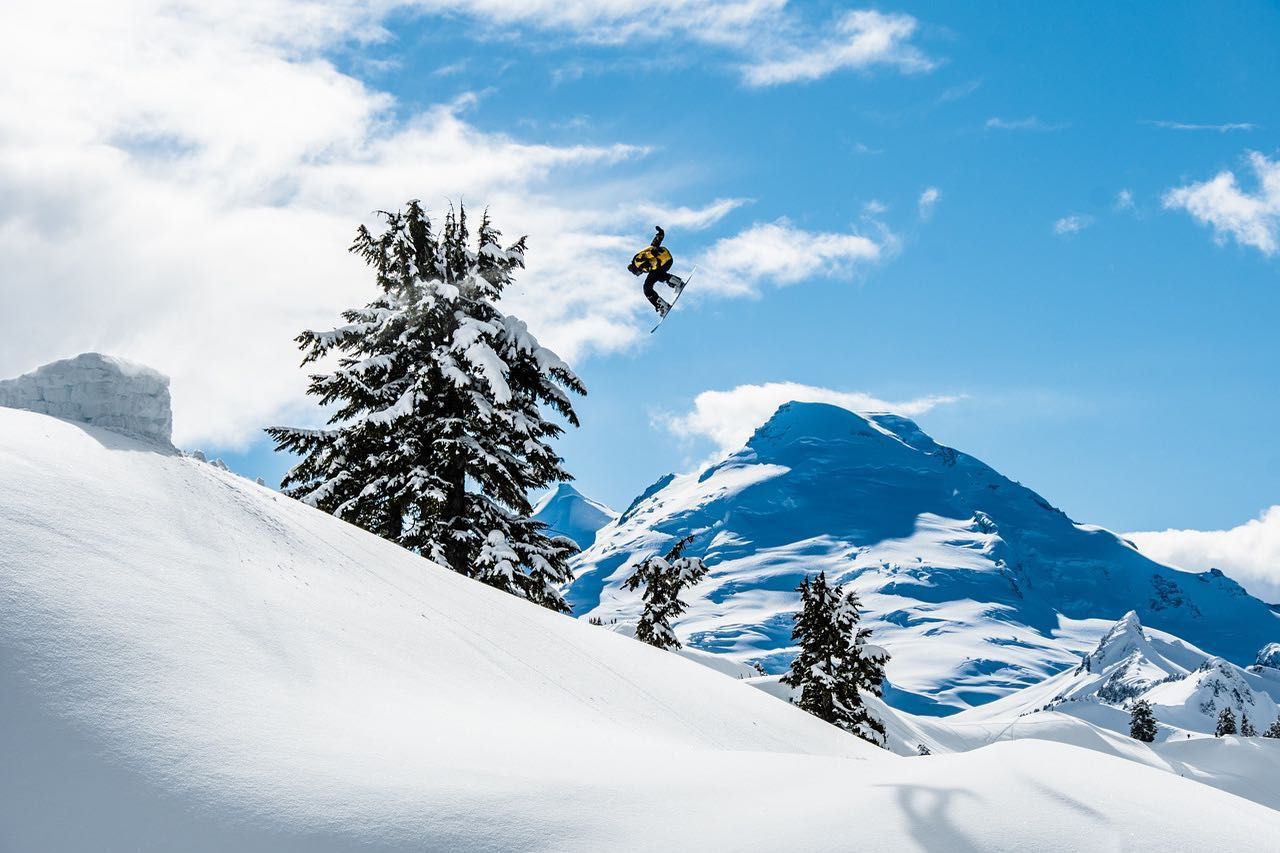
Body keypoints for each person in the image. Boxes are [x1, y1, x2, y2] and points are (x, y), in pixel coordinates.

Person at [628, 226, 685, 317]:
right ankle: (676, 282)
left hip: (663, 262)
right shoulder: (640, 261)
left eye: (638, 273)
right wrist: (660, 235)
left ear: (635, 269)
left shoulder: (637, 261)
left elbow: (649, 252)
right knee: (657, 275)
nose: (641, 273)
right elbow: (654, 245)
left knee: (647, 288)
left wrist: (653, 253)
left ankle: (663, 306)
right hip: (668, 260)